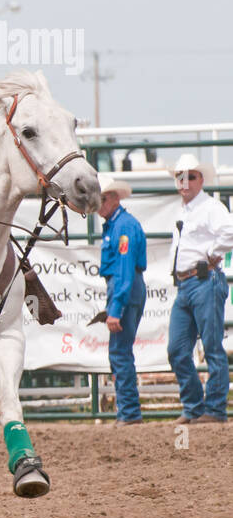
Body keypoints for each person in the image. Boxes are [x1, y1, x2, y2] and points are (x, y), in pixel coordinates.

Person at [167, 154, 233, 424]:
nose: (185, 182)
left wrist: (212, 253)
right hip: (188, 282)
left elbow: (229, 232)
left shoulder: (210, 207)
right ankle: (195, 406)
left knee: (211, 346)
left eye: (190, 176)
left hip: (204, 280)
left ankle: (213, 409)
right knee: (177, 349)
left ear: (200, 180)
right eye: (180, 177)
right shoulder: (189, 210)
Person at [98, 175, 147, 426]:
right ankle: (128, 411)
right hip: (127, 288)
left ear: (115, 198)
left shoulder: (122, 227)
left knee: (119, 352)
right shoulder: (119, 224)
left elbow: (124, 270)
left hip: (124, 289)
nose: (98, 204)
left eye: (102, 198)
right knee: (120, 351)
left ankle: (129, 413)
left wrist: (115, 308)